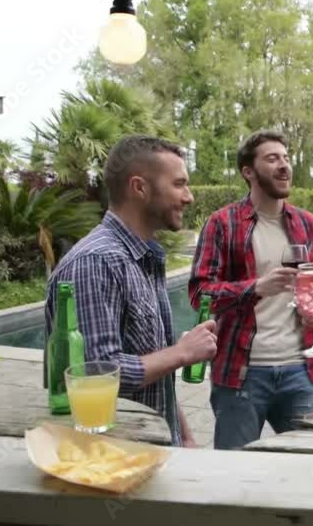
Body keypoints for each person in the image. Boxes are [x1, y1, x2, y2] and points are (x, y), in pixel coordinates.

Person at [188, 129, 313, 450]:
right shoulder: (222, 223)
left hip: (299, 369)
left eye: (286, 158)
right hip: (242, 374)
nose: (284, 166)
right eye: (272, 159)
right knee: (236, 469)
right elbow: (201, 293)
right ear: (248, 172)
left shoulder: (306, 222)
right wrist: (255, 287)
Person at [44, 135, 218, 447]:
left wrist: (184, 437)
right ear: (139, 188)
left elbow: (153, 366)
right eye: (179, 184)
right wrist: (181, 353)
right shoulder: (97, 263)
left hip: (155, 449)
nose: (189, 197)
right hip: (115, 457)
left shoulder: (144, 257)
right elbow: (93, 377)